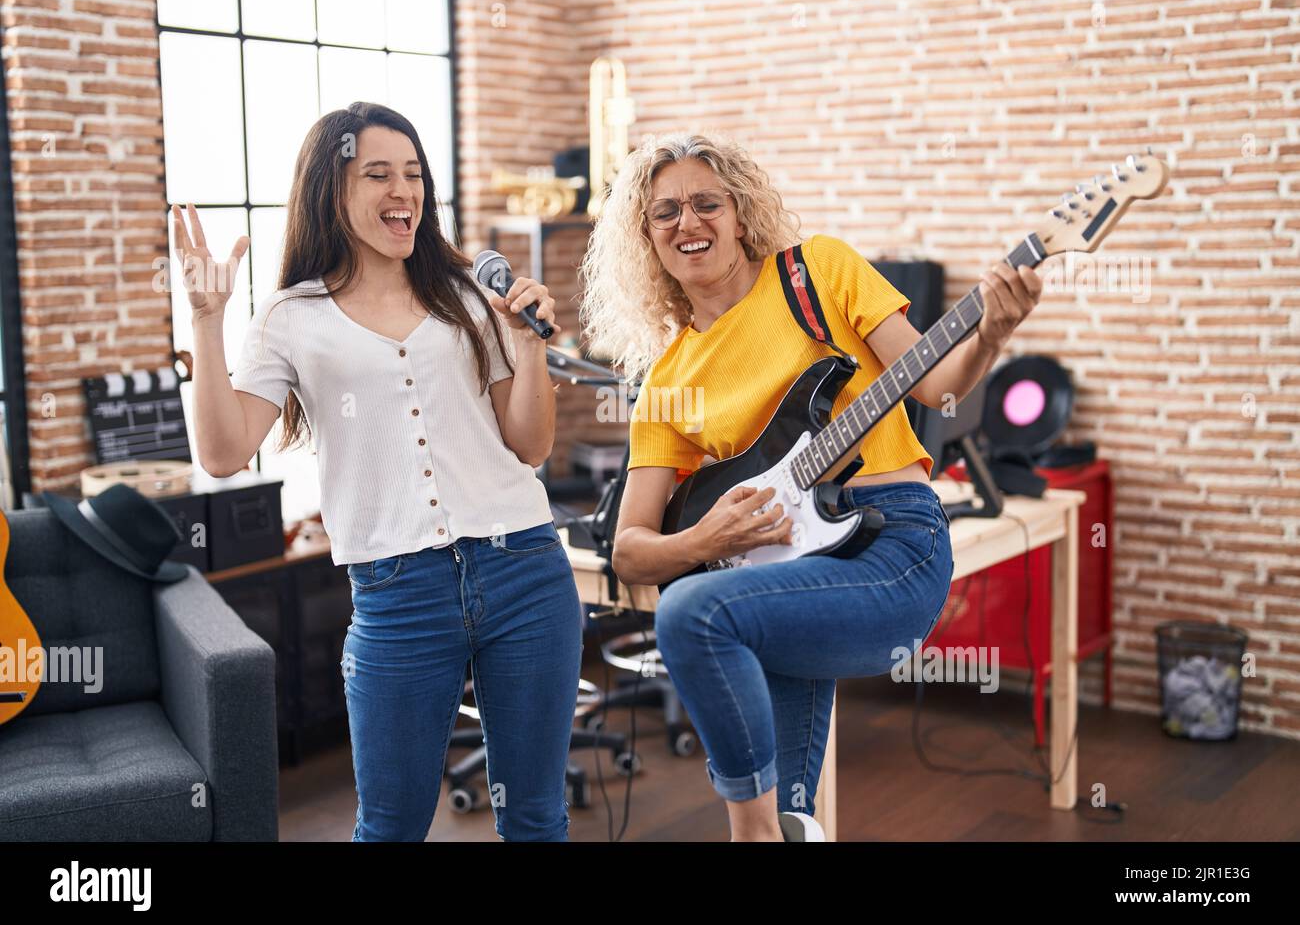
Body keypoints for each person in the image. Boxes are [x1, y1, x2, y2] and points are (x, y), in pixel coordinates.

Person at [578, 132, 1043, 842]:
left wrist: (990, 335)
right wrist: (709, 538)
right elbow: (632, 550)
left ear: (739, 213)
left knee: (693, 616)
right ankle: (784, 827)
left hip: (892, 547)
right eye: (665, 212)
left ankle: (750, 832)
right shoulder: (667, 380)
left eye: (707, 203)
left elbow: (940, 390)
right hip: (782, 565)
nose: (688, 223)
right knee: (800, 817)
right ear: (646, 237)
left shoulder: (816, 272)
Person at [180, 102, 583, 842]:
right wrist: (206, 322)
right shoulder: (290, 318)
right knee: (391, 825)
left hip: (523, 568)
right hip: (399, 596)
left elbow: (527, 445)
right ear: (333, 191)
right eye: (378, 175)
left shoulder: (468, 296)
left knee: (534, 815)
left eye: (414, 174)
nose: (405, 191)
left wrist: (528, 347)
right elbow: (224, 451)